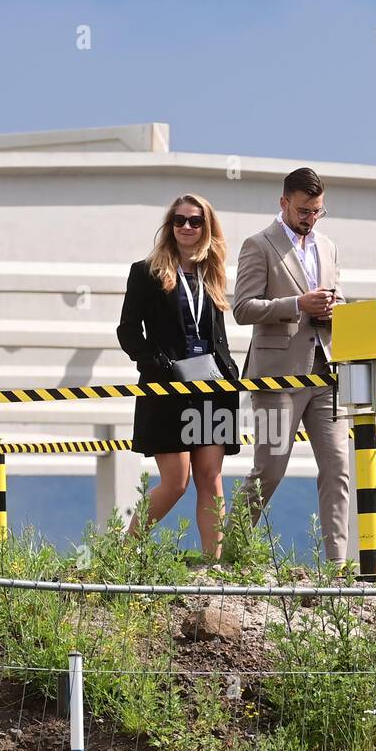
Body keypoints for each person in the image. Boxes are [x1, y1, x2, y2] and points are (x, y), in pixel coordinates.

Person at [233, 168, 350, 564]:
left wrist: (336, 308)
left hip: (326, 372)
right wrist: (297, 304)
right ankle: (228, 553)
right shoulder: (258, 245)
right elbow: (243, 308)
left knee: (337, 467)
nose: (310, 218)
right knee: (269, 470)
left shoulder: (329, 247)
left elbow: (338, 296)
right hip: (277, 376)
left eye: (318, 211)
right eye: (303, 210)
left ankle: (337, 567)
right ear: (284, 203)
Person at [116, 193, 241, 559]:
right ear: (170, 226)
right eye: (179, 220)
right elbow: (127, 332)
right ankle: (124, 557)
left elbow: (214, 334)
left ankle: (213, 569)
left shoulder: (212, 272)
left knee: (211, 480)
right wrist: (160, 367)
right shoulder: (145, 271)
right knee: (176, 482)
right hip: (167, 388)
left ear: (207, 227)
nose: (187, 226)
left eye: (195, 220)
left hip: (213, 389)